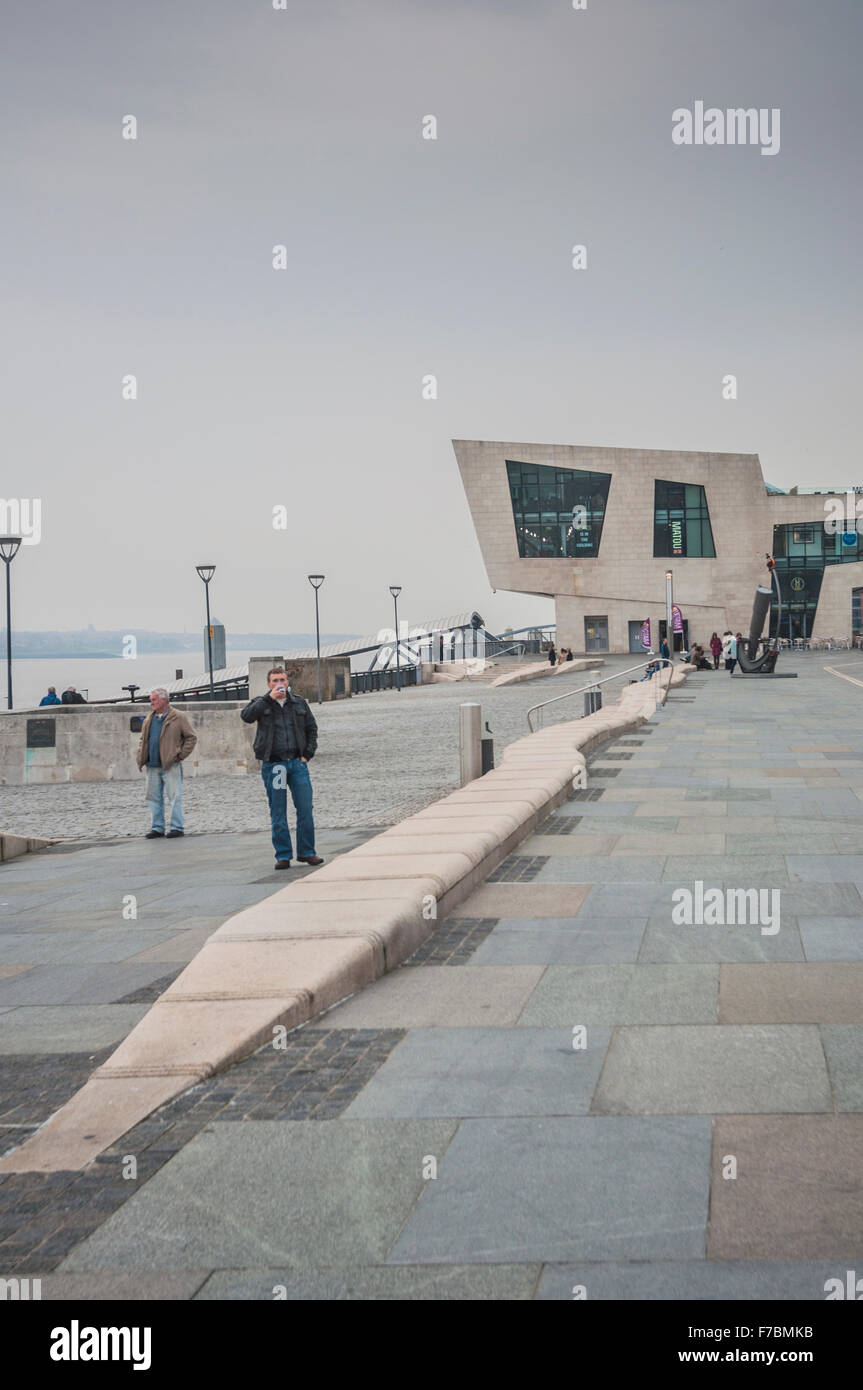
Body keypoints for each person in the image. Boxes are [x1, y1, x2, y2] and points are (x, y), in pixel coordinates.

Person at [241, 667, 323, 870]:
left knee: (305, 808)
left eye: (283, 680)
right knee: (278, 811)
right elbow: (247, 716)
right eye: (275, 680)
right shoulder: (262, 703)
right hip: (275, 764)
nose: (280, 683)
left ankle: (307, 852)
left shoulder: (299, 703)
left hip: (297, 763)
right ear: (269, 684)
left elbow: (312, 729)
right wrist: (268, 699)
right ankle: (283, 855)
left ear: (288, 682)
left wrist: (307, 754)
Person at [135, 687, 197, 838]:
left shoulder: (178, 717)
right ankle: (157, 827)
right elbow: (143, 739)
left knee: (175, 797)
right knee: (153, 798)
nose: (151, 703)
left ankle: (177, 827)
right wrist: (140, 756)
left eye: (154, 700)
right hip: (152, 764)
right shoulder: (149, 718)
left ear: (164, 700)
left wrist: (180, 756)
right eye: (151, 700)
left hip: (170, 764)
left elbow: (191, 737)